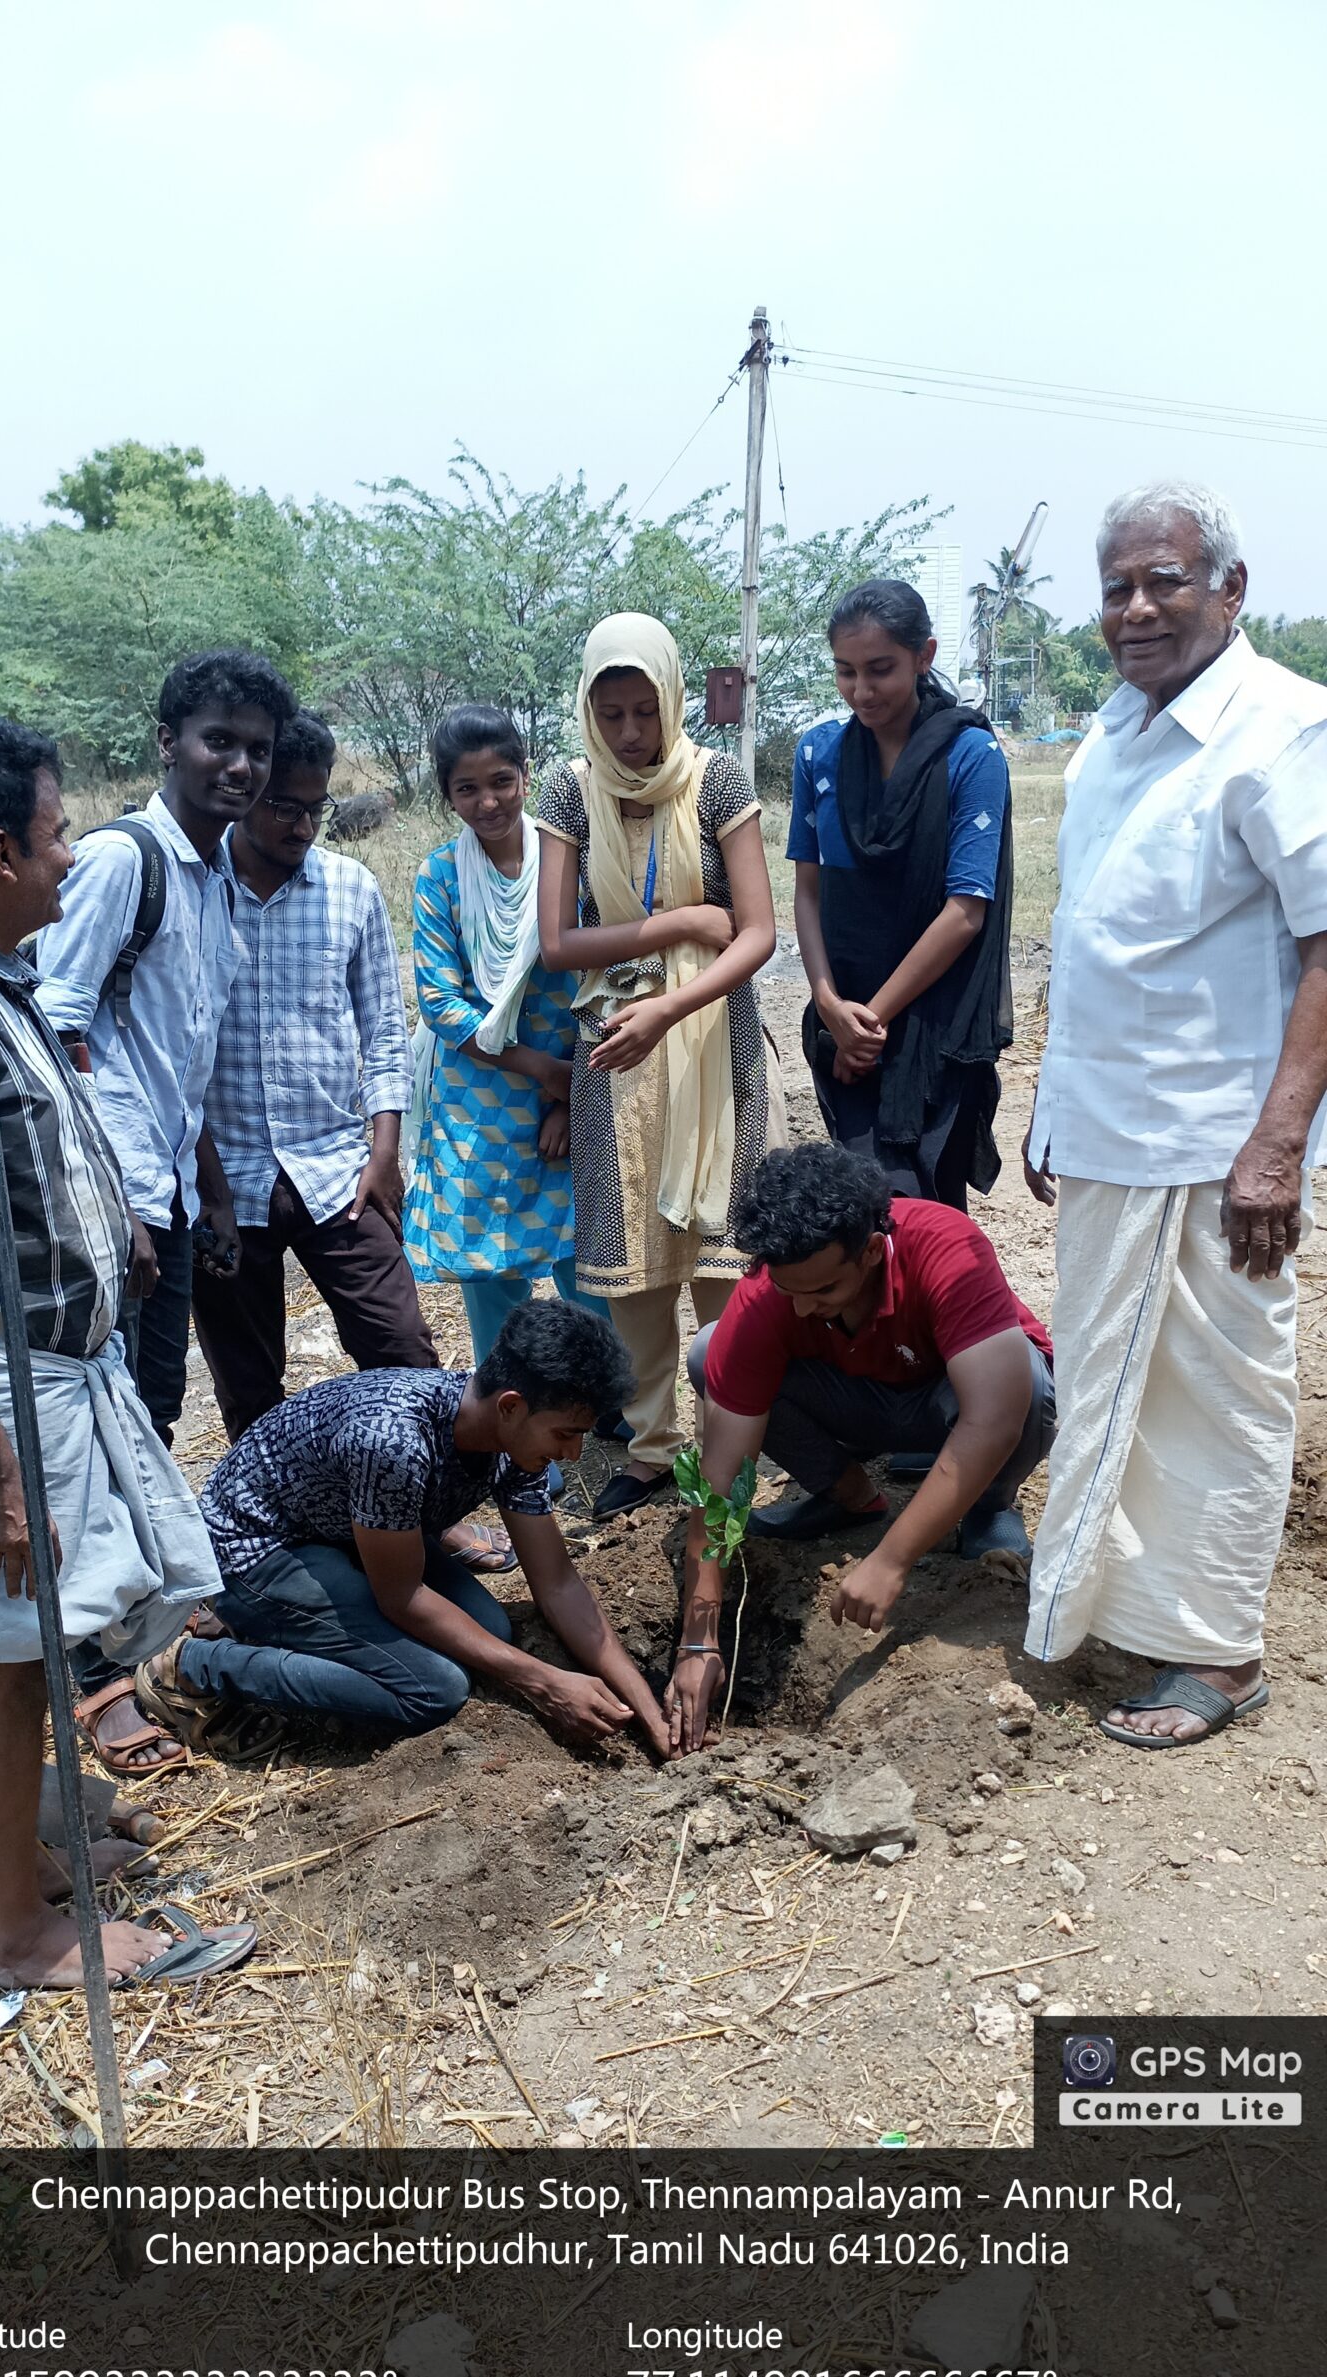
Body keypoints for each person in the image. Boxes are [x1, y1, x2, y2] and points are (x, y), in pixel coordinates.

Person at [0, 714, 245, 1987]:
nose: (70, 853)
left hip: (47, 1373)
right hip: (0, 1389)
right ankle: (26, 1933)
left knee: (32, 1647)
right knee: (12, 1656)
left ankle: (22, 1862)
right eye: (52, 834)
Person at [1024, 480, 1327, 1752]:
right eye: (1117, 588)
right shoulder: (1112, 736)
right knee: (1112, 1390)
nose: (1137, 609)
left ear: (1231, 590)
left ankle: (1221, 1654)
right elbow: (1090, 937)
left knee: (1219, 1394)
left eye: (1165, 581)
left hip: (1216, 1151)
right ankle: (1132, 1613)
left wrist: (1274, 1145)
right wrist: (1048, 1103)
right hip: (1110, 1134)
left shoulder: (1282, 727)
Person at [133, 1301, 670, 1757]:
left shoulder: (510, 1441)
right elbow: (401, 1596)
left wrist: (648, 1711)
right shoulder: (393, 1441)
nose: (573, 1455)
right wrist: (543, 1680)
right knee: (434, 1689)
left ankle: (309, 1623)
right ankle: (197, 1665)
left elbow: (557, 1585)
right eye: (565, 1435)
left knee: (491, 1631)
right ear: (511, 1406)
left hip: (348, 1531)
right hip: (258, 1549)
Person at [668, 1146, 1054, 1753]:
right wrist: (700, 1637)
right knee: (711, 1354)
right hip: (857, 1399)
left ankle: (989, 1508)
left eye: (823, 1289)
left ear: (872, 1251)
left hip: (949, 1401)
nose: (801, 1307)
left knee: (1024, 1383)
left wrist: (890, 1561)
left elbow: (993, 1418)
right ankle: (851, 1497)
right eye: (789, 1289)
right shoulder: (772, 1291)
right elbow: (719, 1476)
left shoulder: (945, 1245)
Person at [537, 613, 778, 1520]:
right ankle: (649, 1446)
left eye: (646, 711)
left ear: (675, 701)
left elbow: (756, 931)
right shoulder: (569, 791)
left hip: (713, 1043)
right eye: (613, 716)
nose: (632, 734)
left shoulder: (716, 781)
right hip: (612, 1049)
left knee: (723, 1250)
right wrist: (681, 923)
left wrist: (671, 1004)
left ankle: (729, 1444)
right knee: (632, 1264)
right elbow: (559, 943)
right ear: (589, 713)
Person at [35, 647, 297, 1447]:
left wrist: (210, 1188)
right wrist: (115, 1207)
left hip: (170, 1190)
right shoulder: (123, 861)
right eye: (219, 741)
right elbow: (53, 1030)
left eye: (258, 749)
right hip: (117, 1196)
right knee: (110, 1408)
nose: (241, 765)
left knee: (153, 1404)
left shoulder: (213, 874)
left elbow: (177, 1064)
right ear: (166, 742)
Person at [191, 707, 435, 1444]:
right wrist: (203, 1189)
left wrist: (384, 1150)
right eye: (283, 808)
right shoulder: (194, 889)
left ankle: (429, 1515)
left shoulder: (350, 890)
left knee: (403, 1351)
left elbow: (385, 1031)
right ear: (246, 793)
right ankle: (278, 1536)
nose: (301, 827)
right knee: (248, 1381)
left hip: (337, 1172)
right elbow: (167, 1051)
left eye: (315, 809)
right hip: (222, 1179)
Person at [789, 579, 1013, 1209]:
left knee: (928, 1209)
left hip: (932, 1022)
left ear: (925, 655)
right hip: (843, 1022)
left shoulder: (971, 755)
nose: (862, 691)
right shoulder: (819, 755)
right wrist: (829, 1003)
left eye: (880, 670)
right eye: (845, 671)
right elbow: (809, 893)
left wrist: (873, 1019)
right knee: (865, 1206)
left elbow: (966, 911)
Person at [402, 703, 611, 1364]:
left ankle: (601, 1402)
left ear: (525, 776)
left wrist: (565, 1093)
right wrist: (540, 1072)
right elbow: (440, 1002)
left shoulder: (570, 863)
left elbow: (604, 980)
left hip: (579, 1081)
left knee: (587, 1259)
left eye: (501, 781)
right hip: (478, 1101)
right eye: (467, 788)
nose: (487, 800)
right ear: (448, 796)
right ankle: (516, 1420)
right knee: (492, 1272)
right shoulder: (440, 877)